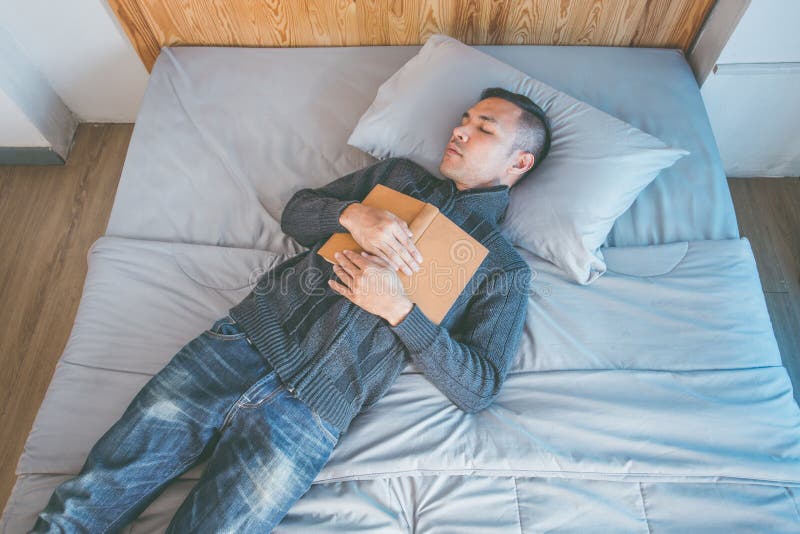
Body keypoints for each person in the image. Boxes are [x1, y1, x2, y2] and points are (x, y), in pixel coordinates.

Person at [32, 87, 551, 533]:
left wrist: (400, 311)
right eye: (462, 120)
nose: (459, 131)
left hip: (313, 414)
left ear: (519, 162)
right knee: (88, 500)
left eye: (483, 128)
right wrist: (352, 214)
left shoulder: (502, 269)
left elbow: (479, 387)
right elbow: (296, 212)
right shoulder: (398, 178)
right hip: (238, 346)